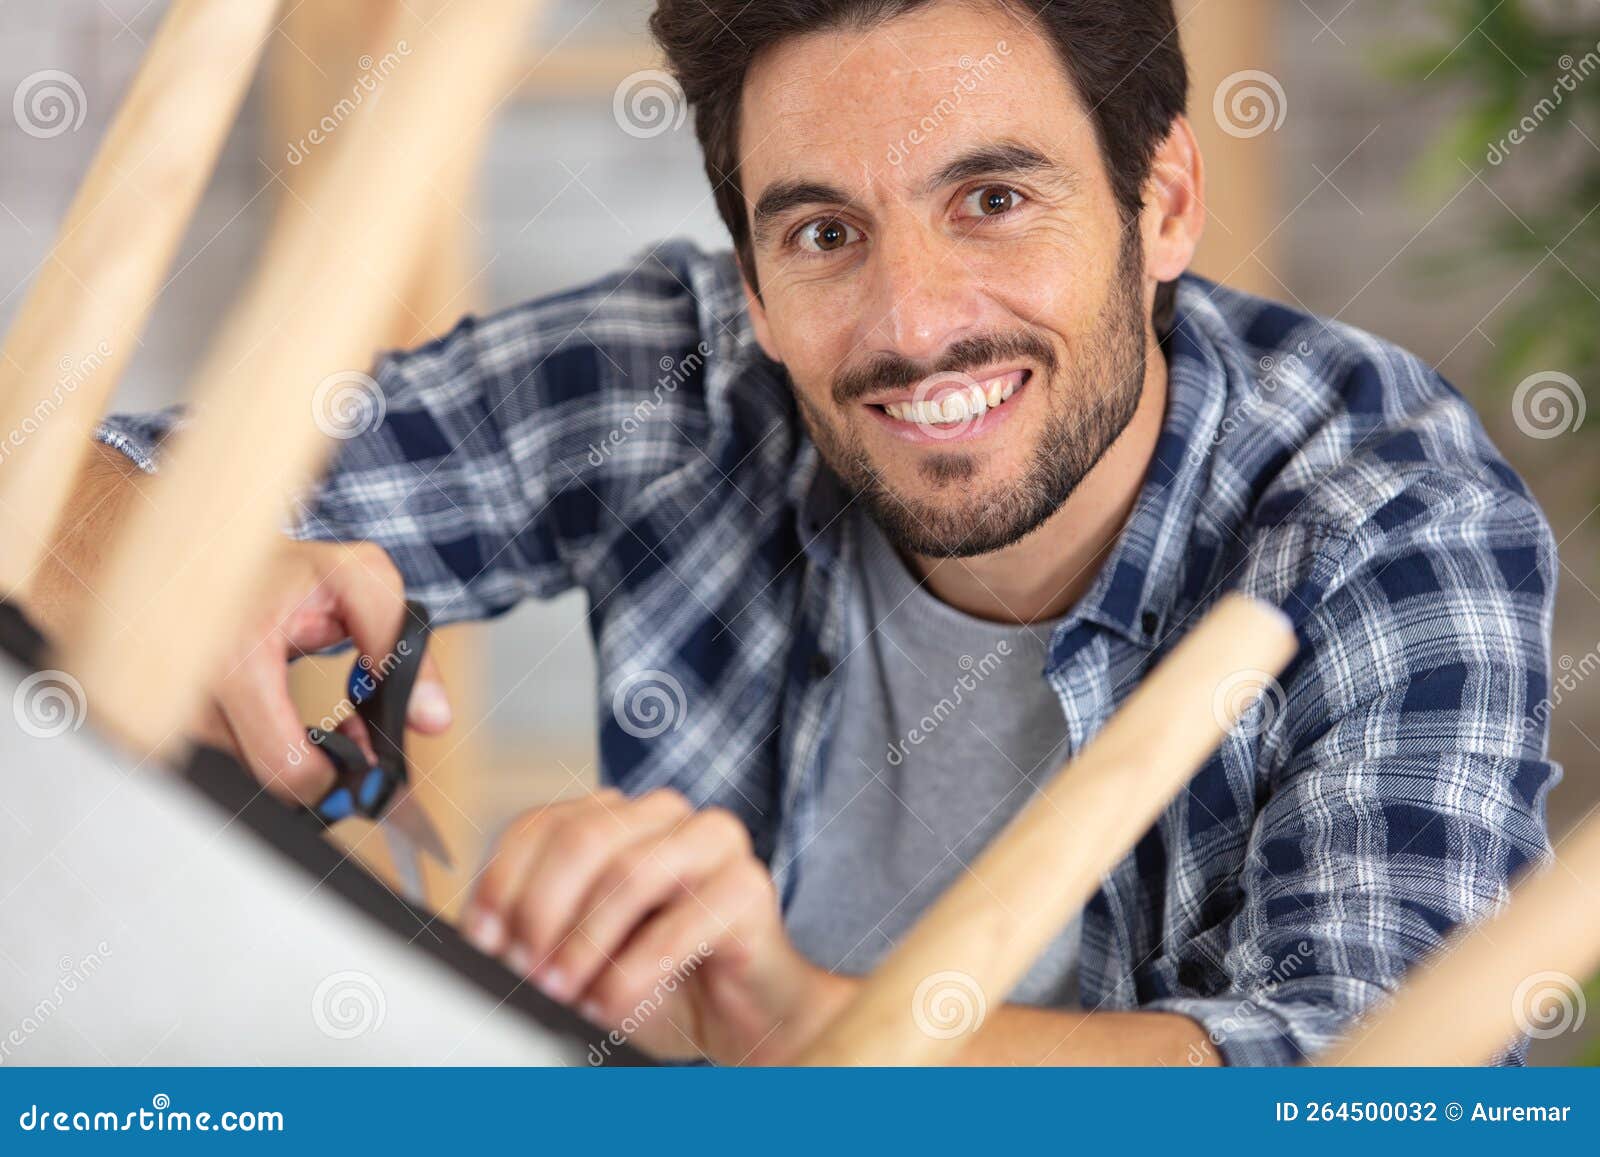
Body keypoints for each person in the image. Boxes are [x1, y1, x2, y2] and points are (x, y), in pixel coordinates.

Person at [48, 0, 1559, 1065]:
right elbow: (52, 492)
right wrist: (193, 558)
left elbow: (1386, 1085)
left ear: (1161, 203)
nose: (913, 323)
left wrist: (804, 1025)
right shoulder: (682, 370)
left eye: (992, 198)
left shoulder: (1391, 520)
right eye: (825, 233)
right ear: (756, 287)